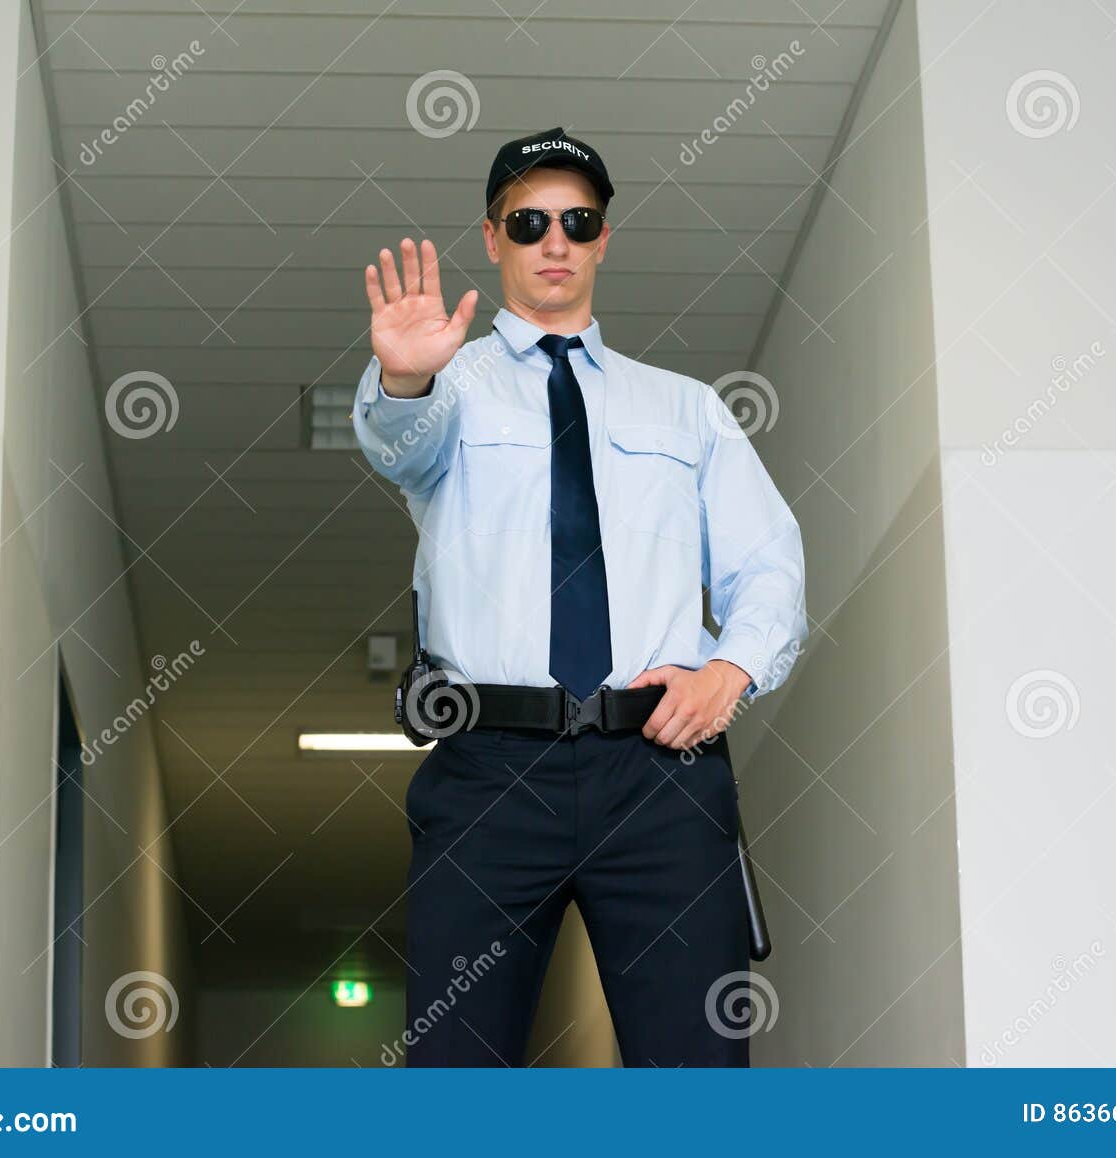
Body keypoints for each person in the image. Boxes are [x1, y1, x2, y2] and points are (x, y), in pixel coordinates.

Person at [353, 126, 807, 1066]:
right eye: (528, 221)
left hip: (660, 774)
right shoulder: (452, 386)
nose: (553, 240)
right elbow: (400, 446)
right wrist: (405, 373)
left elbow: (769, 566)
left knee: (698, 1076)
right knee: (455, 1075)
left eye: (577, 220)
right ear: (493, 238)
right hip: (487, 775)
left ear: (603, 238)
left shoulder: (685, 409)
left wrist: (732, 671)